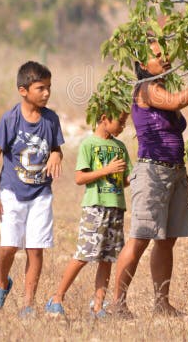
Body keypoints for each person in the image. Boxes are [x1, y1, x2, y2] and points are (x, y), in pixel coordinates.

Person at [111, 38, 188, 317]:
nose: (166, 58)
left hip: (173, 172)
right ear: (143, 64)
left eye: (166, 53)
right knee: (140, 239)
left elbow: (172, 133)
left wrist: (183, 174)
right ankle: (117, 304)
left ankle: (162, 303)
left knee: (167, 240)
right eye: (158, 56)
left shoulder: (158, 87)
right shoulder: (146, 90)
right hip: (152, 174)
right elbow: (178, 100)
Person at [0, 61, 65, 318]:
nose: (47, 93)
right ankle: (2, 283)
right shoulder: (10, 119)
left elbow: (56, 148)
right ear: (23, 90)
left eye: (49, 88)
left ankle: (28, 304)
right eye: (41, 88)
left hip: (41, 194)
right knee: (9, 246)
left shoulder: (51, 119)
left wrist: (56, 155)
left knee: (35, 248)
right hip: (11, 192)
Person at [45, 111, 131, 318]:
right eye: (120, 121)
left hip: (116, 207)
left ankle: (98, 306)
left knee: (107, 258)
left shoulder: (121, 147)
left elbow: (125, 179)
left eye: (125, 122)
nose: (123, 127)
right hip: (95, 207)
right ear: (104, 118)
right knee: (84, 254)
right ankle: (56, 298)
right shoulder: (88, 145)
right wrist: (106, 170)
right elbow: (80, 178)